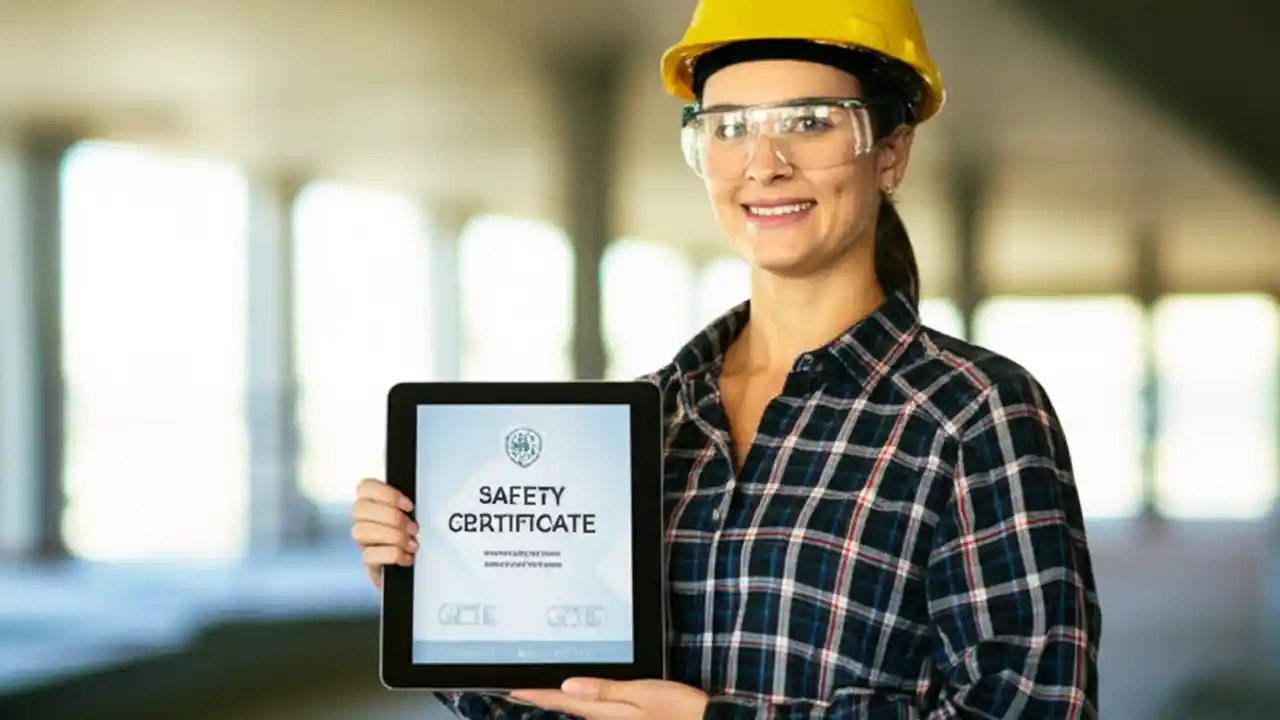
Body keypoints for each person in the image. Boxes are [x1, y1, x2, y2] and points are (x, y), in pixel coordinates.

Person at [350, 0, 1102, 717]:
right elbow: (569, 700)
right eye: (730, 127)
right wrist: (433, 591)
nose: (763, 165)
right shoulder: (645, 421)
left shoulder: (970, 414)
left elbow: (1033, 705)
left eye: (811, 122)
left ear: (891, 154)